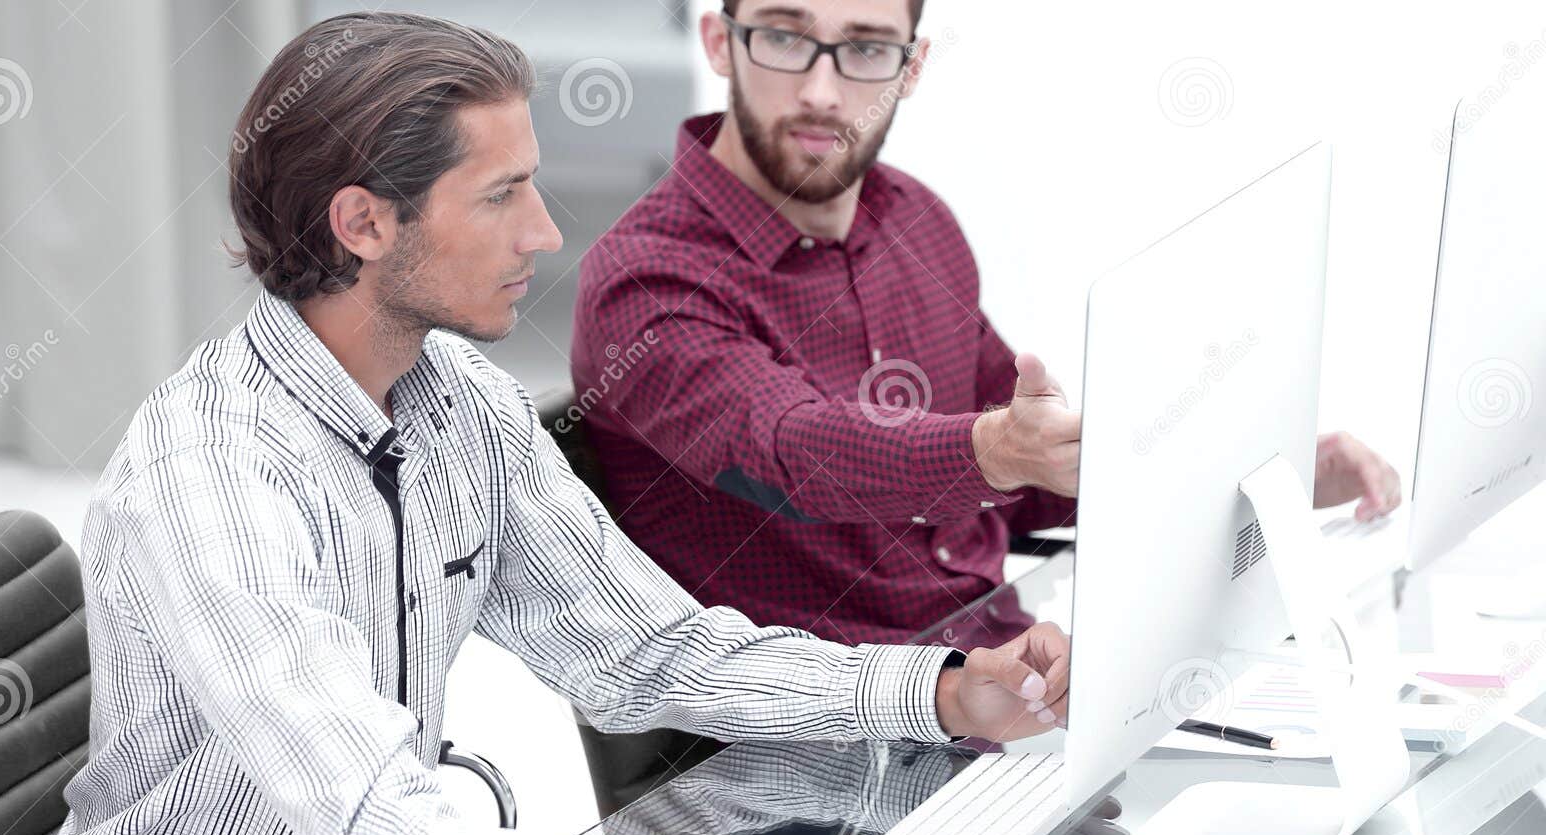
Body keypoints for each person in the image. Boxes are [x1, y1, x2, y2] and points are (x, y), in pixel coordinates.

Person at [45, 11, 1078, 835]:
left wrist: (943, 692)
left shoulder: (461, 401)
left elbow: (652, 655)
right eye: (501, 195)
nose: (543, 231)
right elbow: (371, 825)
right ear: (363, 224)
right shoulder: (213, 475)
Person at [571, 0, 1403, 652]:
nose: (822, 91)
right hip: (817, 752)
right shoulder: (646, 280)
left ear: (910, 68)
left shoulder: (914, 221)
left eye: (866, 49)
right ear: (720, 43)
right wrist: (993, 451)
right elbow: (794, 453)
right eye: (785, 38)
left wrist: (1256, 480)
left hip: (1007, 681)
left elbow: (1030, 475)